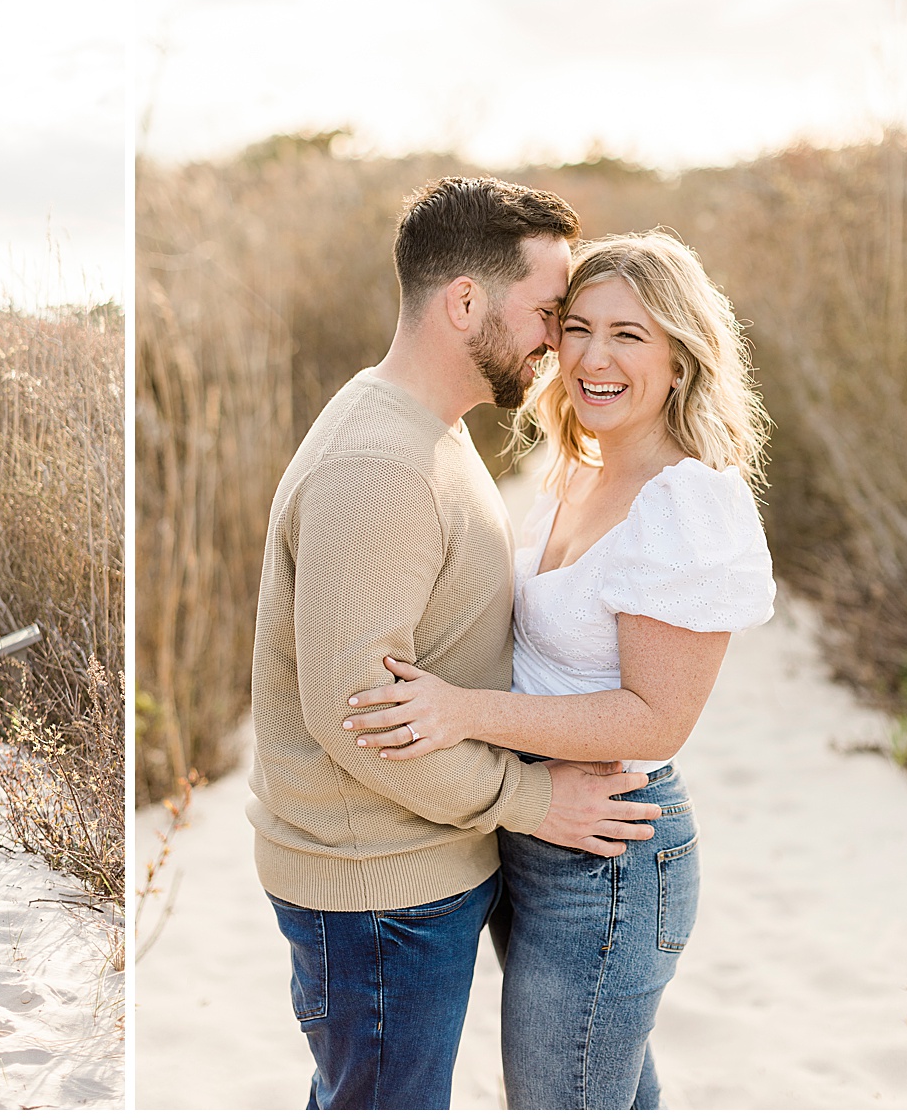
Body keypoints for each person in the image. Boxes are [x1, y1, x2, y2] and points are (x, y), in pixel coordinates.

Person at [248, 177, 665, 1111]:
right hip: (375, 892)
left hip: (410, 869)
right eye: (548, 313)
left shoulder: (424, 427)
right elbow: (356, 717)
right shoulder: (379, 466)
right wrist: (533, 799)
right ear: (466, 302)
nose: (558, 342)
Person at [344, 229, 776, 1108]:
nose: (592, 357)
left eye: (628, 335)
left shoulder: (686, 504)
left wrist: (462, 711)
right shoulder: (572, 467)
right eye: (577, 328)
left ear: (681, 358)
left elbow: (656, 718)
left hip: (608, 863)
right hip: (534, 832)